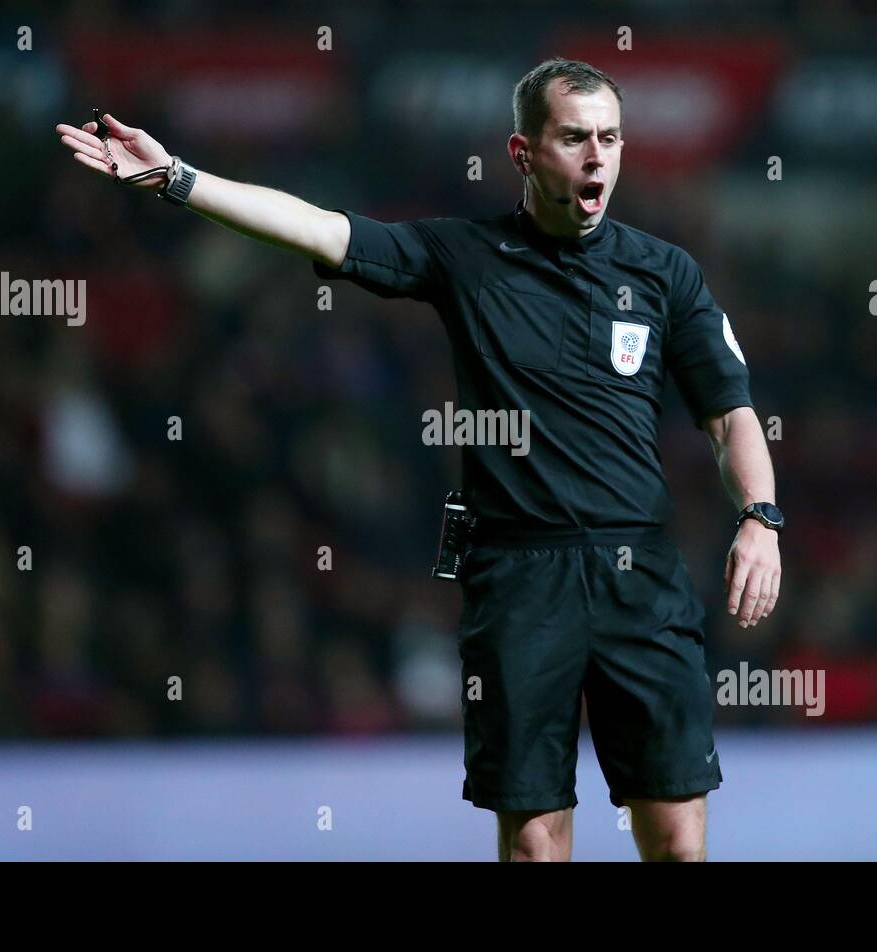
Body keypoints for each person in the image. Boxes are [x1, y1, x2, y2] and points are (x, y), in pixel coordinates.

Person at [56, 57, 784, 862]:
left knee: (678, 842)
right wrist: (179, 179)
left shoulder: (665, 273)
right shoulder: (463, 257)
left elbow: (731, 417)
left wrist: (760, 515)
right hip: (519, 579)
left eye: (610, 137)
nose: (597, 156)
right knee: (536, 848)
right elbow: (318, 226)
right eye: (575, 137)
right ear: (523, 152)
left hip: (640, 577)